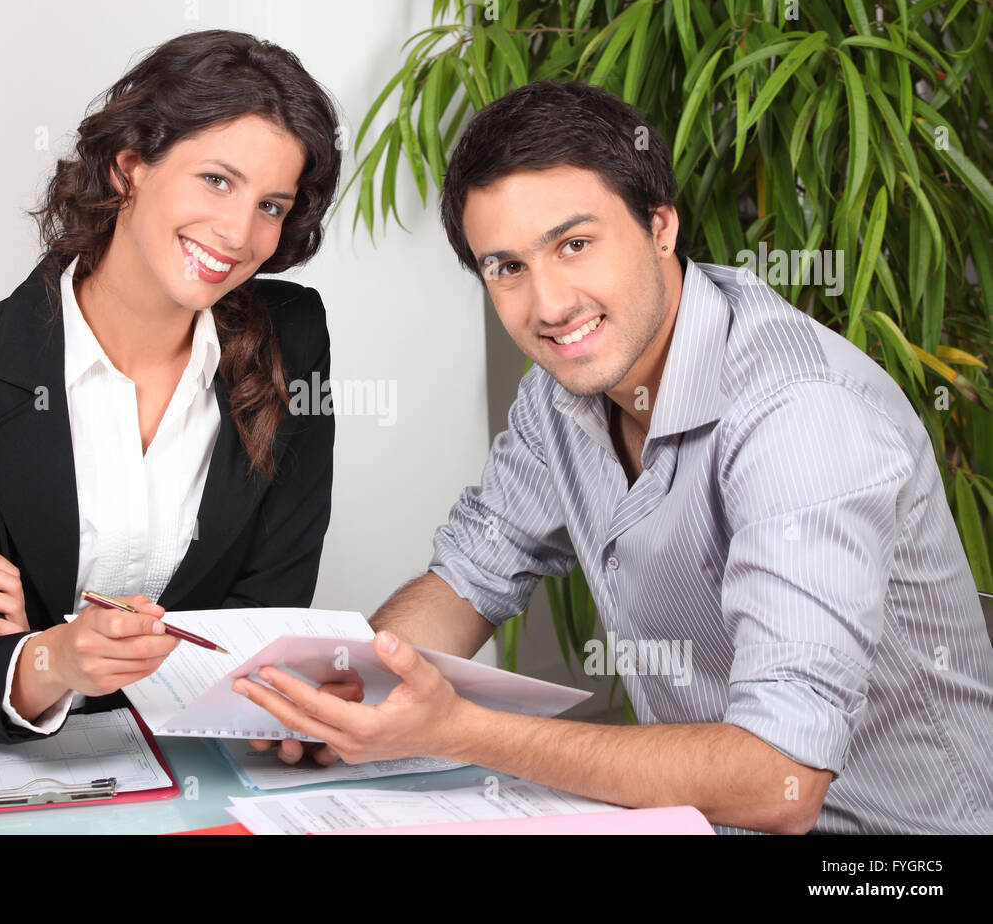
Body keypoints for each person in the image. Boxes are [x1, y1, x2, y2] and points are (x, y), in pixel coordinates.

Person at [233, 80, 993, 834]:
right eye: (507, 267)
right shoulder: (561, 393)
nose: (550, 304)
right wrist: (353, 687)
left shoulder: (802, 417)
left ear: (660, 225)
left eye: (574, 244)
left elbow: (778, 778)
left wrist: (453, 728)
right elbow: (468, 577)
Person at [0, 29, 342, 745]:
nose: (237, 233)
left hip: (192, 759)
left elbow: (268, 616)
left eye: (271, 204)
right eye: (217, 180)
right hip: (4, 769)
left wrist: (27, 645)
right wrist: (57, 658)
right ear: (130, 166)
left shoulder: (294, 338)